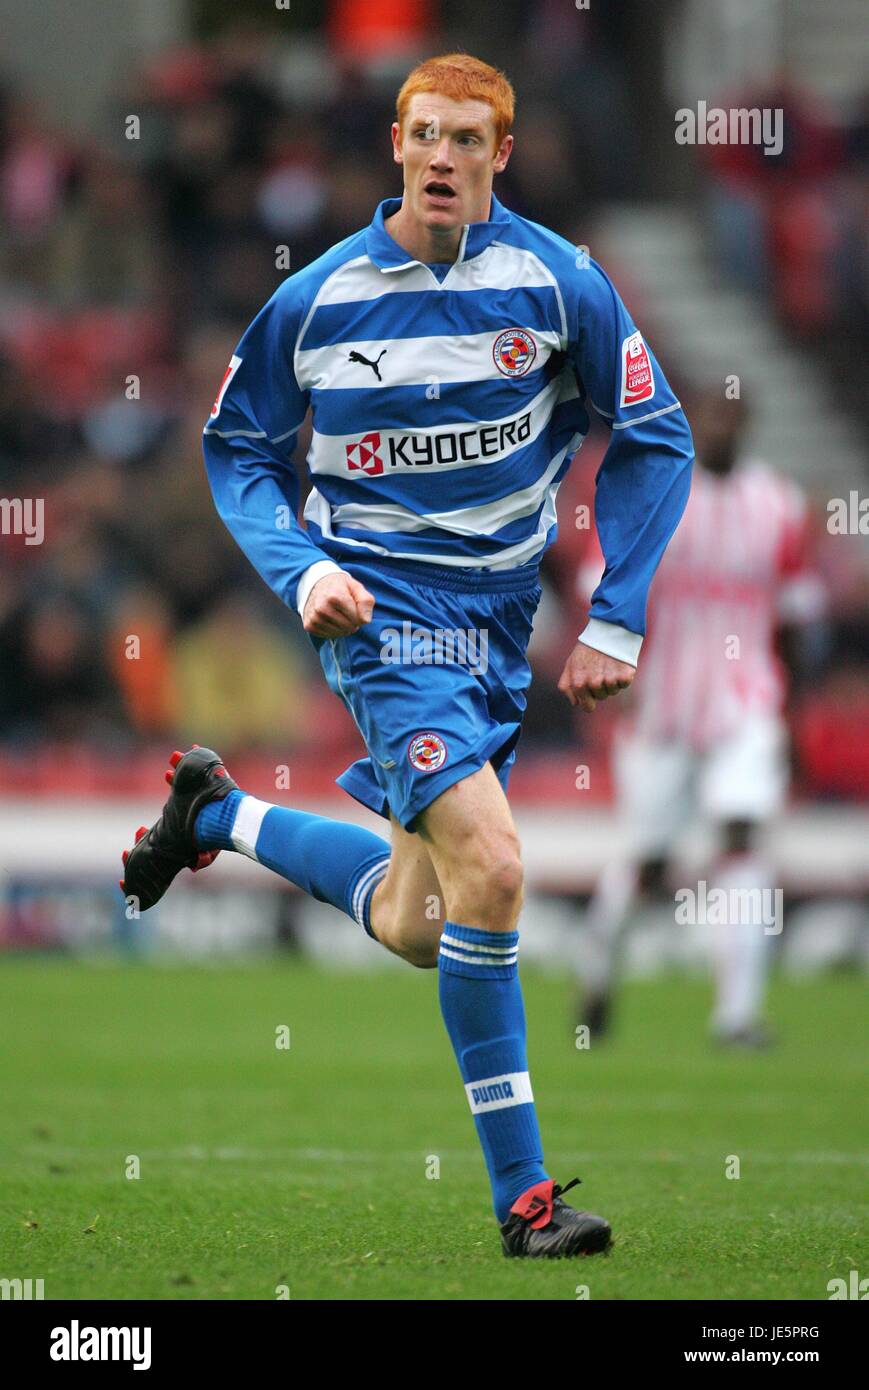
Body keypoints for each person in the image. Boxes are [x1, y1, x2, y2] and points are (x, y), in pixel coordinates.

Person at [121, 53, 693, 1258]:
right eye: (425, 136)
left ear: (501, 154)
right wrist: (304, 570)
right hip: (384, 626)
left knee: (420, 922)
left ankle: (217, 816)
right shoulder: (318, 301)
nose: (443, 158)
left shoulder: (557, 283)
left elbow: (652, 434)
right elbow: (237, 450)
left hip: (496, 626)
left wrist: (615, 609)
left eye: (468, 141)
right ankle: (524, 1203)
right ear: (393, 142)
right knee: (492, 868)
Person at [577, 386, 823, 1047]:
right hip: (660, 706)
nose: (718, 426)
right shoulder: (653, 493)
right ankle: (597, 976)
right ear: (690, 422)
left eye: (730, 415)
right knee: (649, 863)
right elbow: (602, 589)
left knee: (740, 838)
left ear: (745, 423)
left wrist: (790, 719)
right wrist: (611, 673)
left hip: (747, 700)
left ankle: (736, 1015)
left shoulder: (777, 502)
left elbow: (795, 618)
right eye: (708, 414)